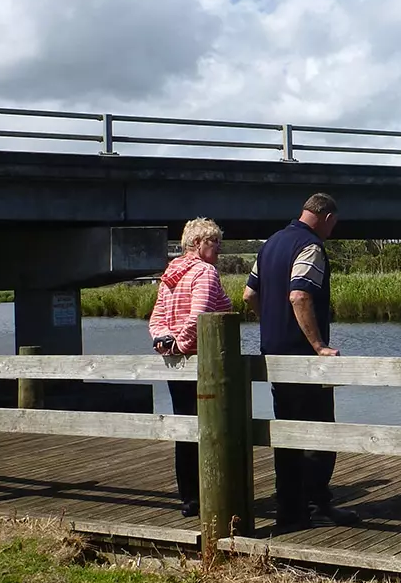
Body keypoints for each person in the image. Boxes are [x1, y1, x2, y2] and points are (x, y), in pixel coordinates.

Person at [243, 193, 358, 530]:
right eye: (333, 224)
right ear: (325, 217)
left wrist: (272, 325)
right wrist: (318, 345)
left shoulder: (270, 245)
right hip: (303, 356)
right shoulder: (310, 246)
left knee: (287, 432)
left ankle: (291, 510)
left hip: (274, 353)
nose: (332, 230)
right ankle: (319, 504)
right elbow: (300, 294)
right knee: (320, 432)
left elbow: (250, 294)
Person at [148, 217, 232, 517]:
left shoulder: (170, 273)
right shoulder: (205, 272)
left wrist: (163, 343)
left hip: (175, 364)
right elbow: (199, 317)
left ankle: (189, 497)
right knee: (211, 428)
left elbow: (156, 317)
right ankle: (210, 493)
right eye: (214, 242)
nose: (219, 249)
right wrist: (182, 345)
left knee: (185, 427)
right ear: (198, 244)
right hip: (202, 362)